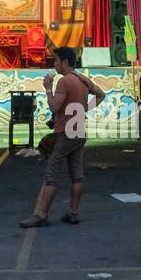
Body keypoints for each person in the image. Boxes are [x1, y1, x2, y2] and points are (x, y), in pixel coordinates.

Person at [20, 46, 106, 227]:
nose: (55, 64)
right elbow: (101, 94)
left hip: (66, 133)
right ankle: (73, 213)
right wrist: (83, 110)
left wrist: (48, 88)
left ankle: (41, 214)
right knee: (77, 174)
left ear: (65, 62)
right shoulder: (81, 79)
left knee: (52, 173)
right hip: (79, 132)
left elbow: (54, 107)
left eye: (56, 61)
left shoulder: (64, 81)